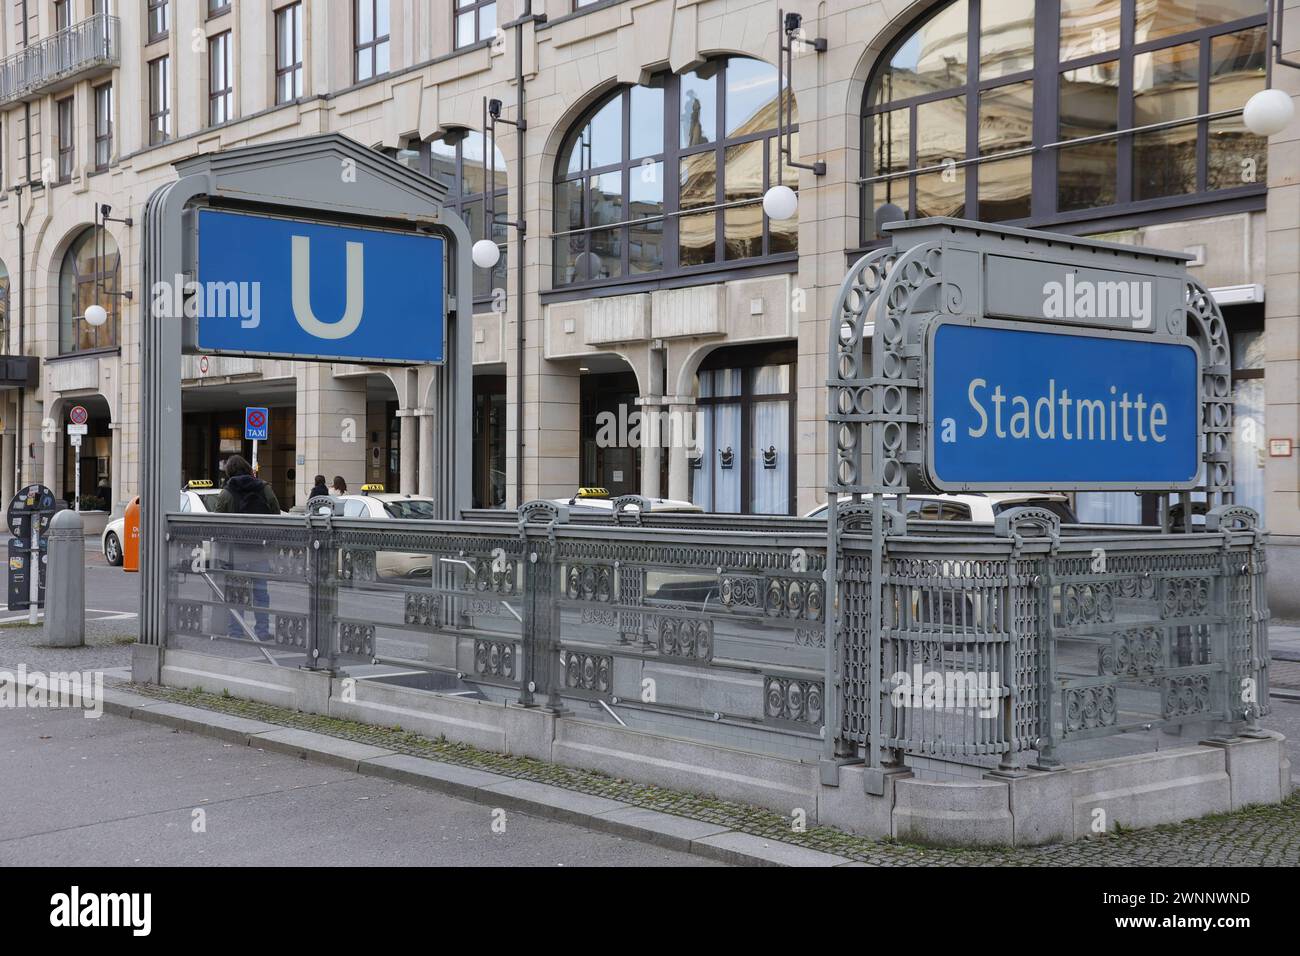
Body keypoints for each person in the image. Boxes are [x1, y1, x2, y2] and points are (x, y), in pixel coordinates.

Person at [211, 456, 279, 641]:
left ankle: (236, 632)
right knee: (261, 593)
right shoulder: (264, 488)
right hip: (259, 550)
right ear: (248, 469)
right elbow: (276, 514)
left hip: (235, 553)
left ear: (229, 472)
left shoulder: (226, 493)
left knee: (236, 592)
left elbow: (218, 521)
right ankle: (262, 631)